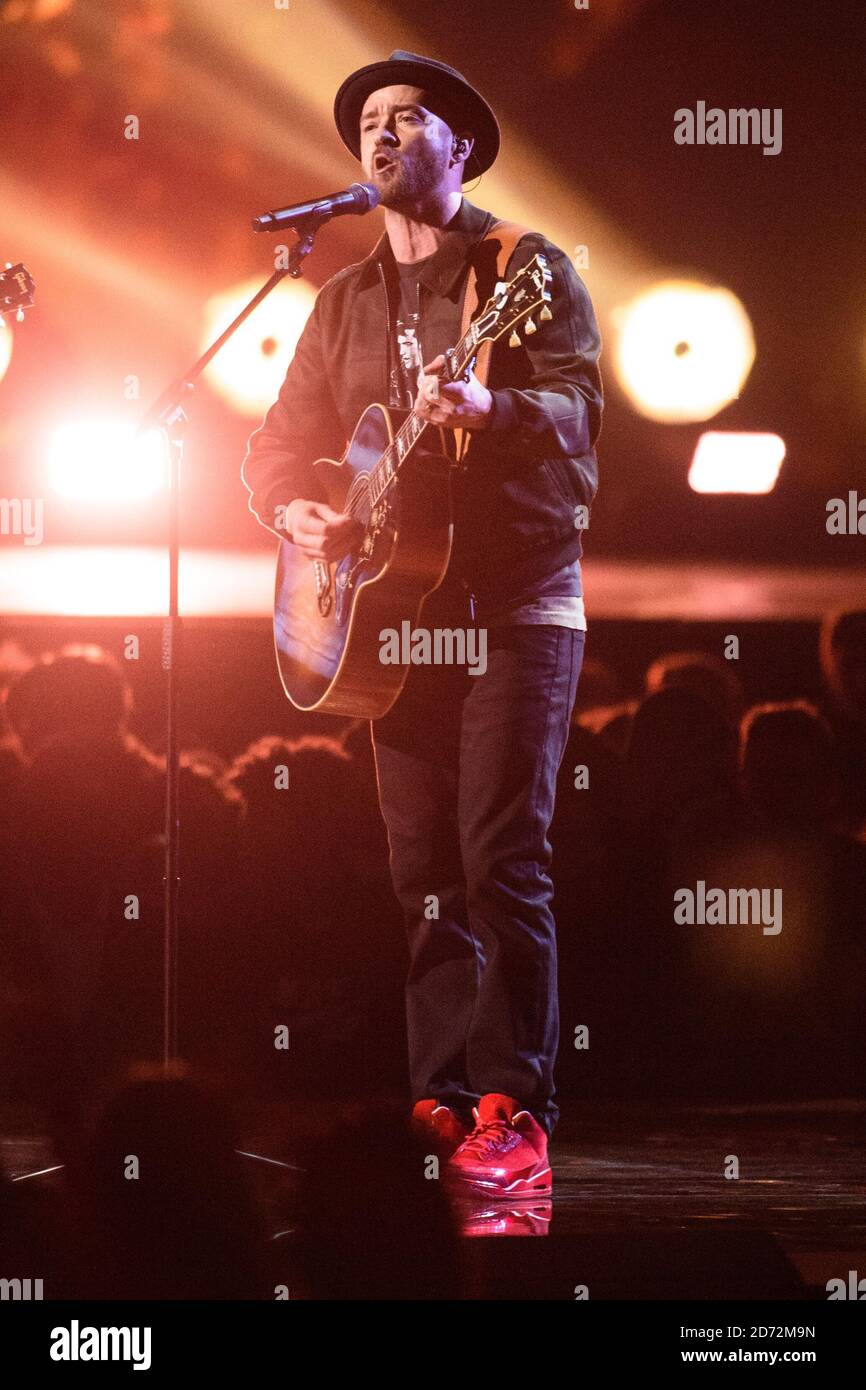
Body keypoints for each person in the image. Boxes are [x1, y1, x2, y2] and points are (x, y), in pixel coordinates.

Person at [242, 50, 603, 1197]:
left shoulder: (521, 268)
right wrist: (292, 503)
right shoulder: (342, 300)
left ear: (461, 148)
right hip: (391, 620)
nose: (384, 136)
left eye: (409, 119)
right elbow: (273, 445)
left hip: (513, 602)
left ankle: (516, 1107)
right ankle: (441, 1103)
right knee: (422, 875)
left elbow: (579, 407)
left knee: (501, 856)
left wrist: (492, 405)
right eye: (369, 126)